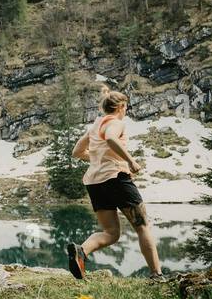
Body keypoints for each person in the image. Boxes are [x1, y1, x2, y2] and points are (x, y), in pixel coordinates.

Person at [66, 88, 163, 280]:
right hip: (116, 177)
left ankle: (81, 251)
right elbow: (110, 138)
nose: (126, 110)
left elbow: (77, 151)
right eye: (126, 106)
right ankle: (157, 274)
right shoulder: (116, 123)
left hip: (94, 182)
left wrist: (97, 159)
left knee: (111, 232)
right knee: (142, 226)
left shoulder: (95, 125)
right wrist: (130, 161)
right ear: (120, 107)